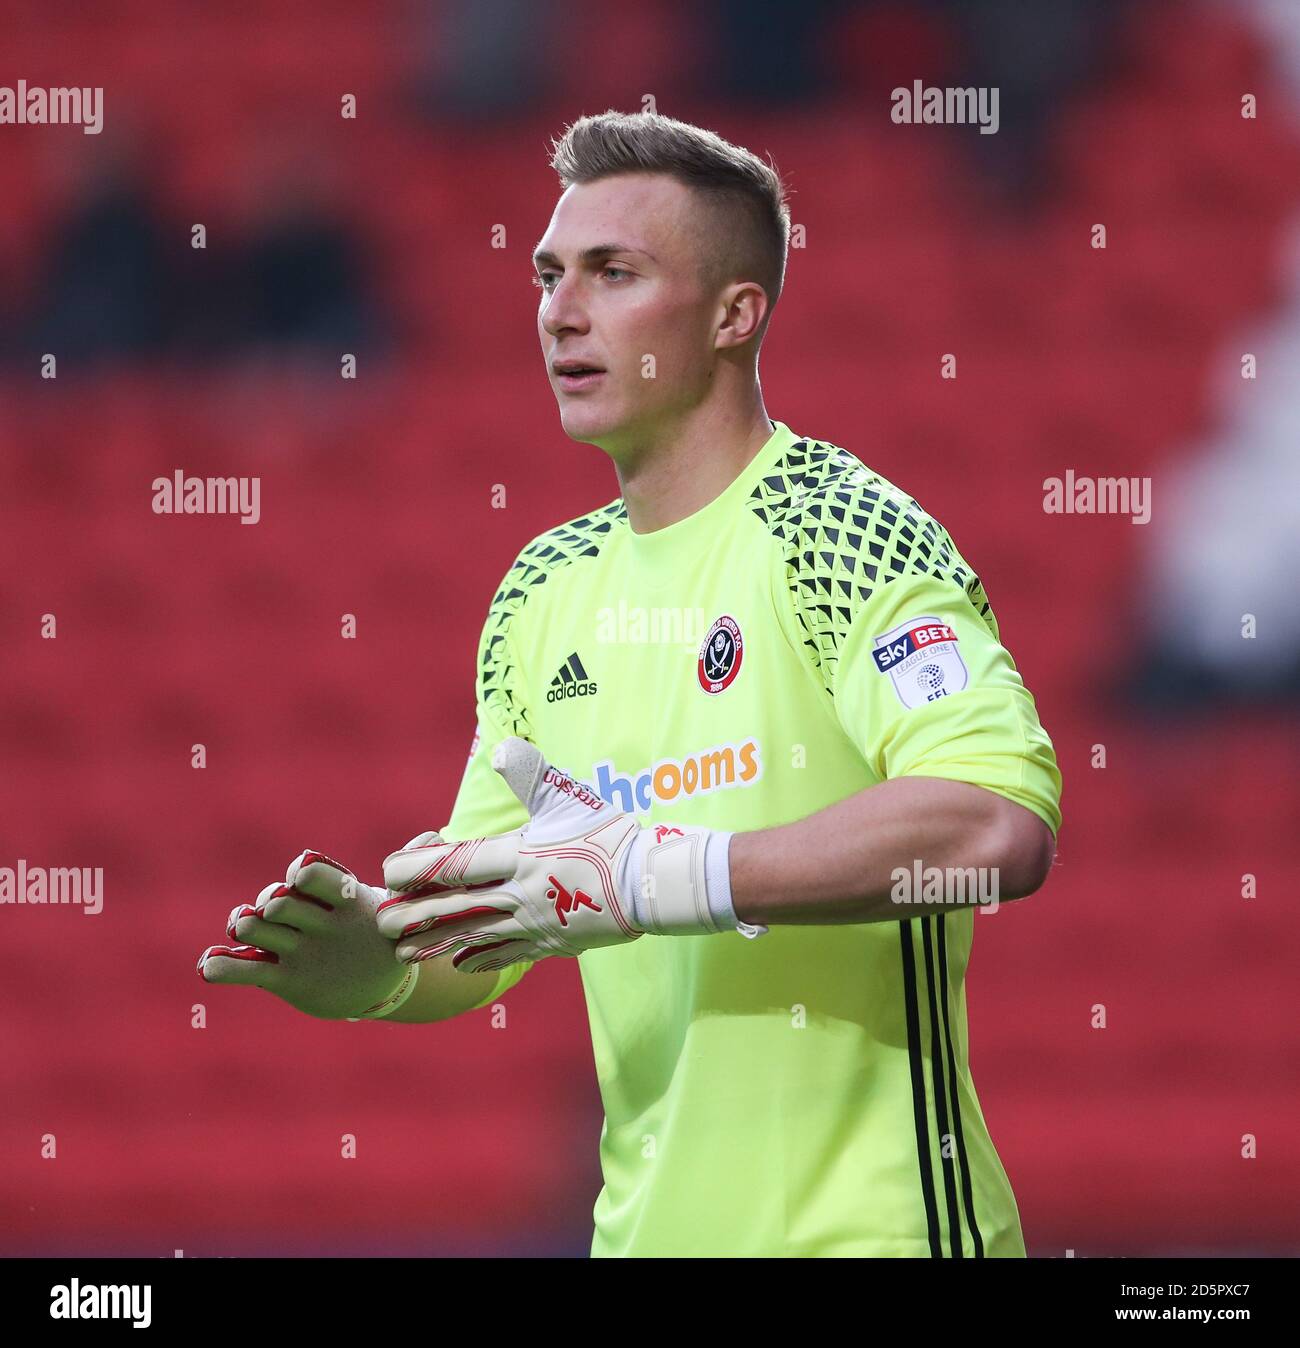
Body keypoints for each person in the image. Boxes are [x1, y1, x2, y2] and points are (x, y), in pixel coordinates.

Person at [199, 110, 1062, 1258]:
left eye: (614, 273)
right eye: (550, 274)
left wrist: (661, 873)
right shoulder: (541, 589)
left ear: (732, 314)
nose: (561, 310)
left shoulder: (840, 534)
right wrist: (384, 967)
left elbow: (995, 828)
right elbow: (497, 916)